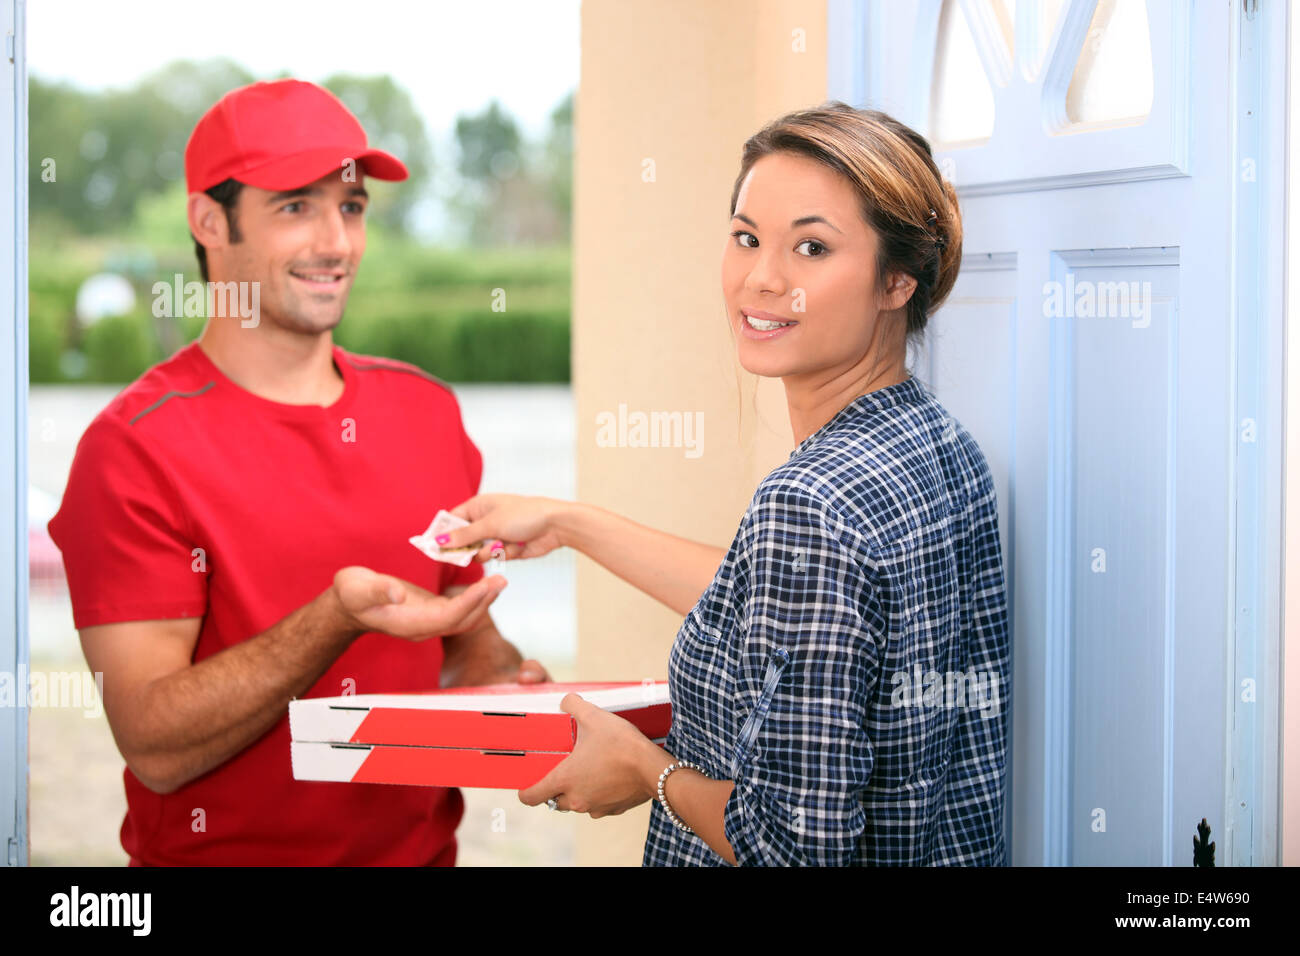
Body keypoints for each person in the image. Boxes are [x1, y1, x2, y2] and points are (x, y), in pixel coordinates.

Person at [437, 102, 1011, 866]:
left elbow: (792, 853)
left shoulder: (808, 504)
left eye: (812, 247)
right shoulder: (936, 444)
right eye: (745, 237)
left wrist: (645, 768)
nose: (762, 279)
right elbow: (798, 610)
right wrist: (572, 524)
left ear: (896, 280)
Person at [47, 78, 547, 866]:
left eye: (350, 207)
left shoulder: (426, 413)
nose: (336, 242)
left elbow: (461, 644)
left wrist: (515, 692)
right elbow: (155, 744)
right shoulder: (133, 449)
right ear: (209, 221)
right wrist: (332, 620)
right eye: (295, 207)